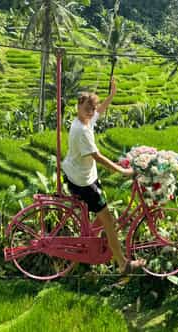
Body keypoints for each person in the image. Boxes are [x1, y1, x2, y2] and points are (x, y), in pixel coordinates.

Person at [61, 78, 145, 276]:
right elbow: (97, 157)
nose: (91, 111)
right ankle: (123, 264)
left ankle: (79, 260)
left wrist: (112, 96)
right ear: (78, 106)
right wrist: (123, 171)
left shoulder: (85, 121)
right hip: (83, 182)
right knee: (108, 221)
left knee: (99, 222)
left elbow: (99, 112)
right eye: (87, 108)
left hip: (84, 176)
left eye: (92, 108)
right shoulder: (81, 131)